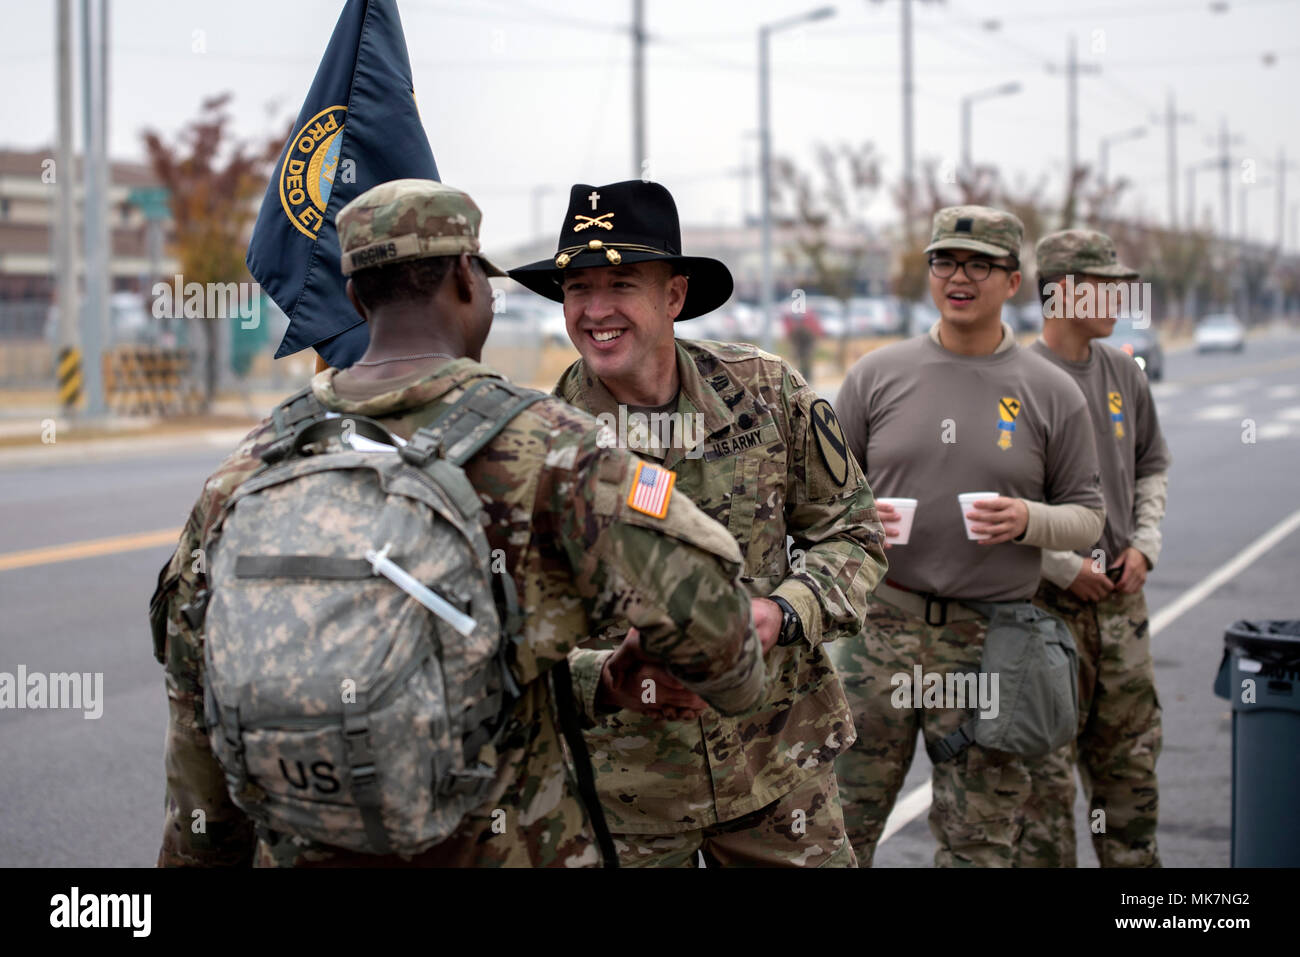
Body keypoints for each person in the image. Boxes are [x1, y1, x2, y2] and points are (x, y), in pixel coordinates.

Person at [149, 178, 768, 867]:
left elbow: (196, 725)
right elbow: (722, 637)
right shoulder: (555, 450)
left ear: (355, 297)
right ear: (469, 283)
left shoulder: (249, 468)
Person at [508, 180, 887, 867]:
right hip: (623, 800)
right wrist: (606, 677)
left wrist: (782, 611)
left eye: (620, 283)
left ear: (674, 296)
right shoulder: (537, 448)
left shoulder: (768, 394)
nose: (595, 311)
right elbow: (506, 637)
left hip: (779, 771)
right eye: (576, 289)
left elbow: (855, 536)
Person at [830, 205, 1106, 867]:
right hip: (880, 634)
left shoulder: (1051, 391)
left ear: (1013, 282)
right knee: (836, 832)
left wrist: (1028, 521)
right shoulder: (876, 375)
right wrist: (859, 519)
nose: (960, 276)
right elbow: (820, 497)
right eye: (946, 260)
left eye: (980, 263)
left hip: (991, 642)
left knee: (980, 845)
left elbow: (1088, 514)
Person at [1017, 229, 1170, 868]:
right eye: (1107, 285)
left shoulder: (1122, 372)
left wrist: (1145, 545)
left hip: (1121, 607)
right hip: (1044, 614)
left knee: (1130, 783)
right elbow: (991, 504)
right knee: (1042, 801)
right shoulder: (1017, 380)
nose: (1120, 296)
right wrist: (1062, 566)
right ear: (1064, 294)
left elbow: (1152, 464)